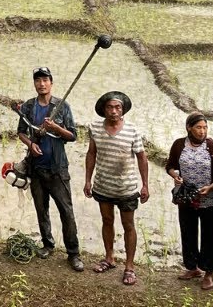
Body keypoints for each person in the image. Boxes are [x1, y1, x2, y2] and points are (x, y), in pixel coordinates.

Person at [16, 66, 83, 271]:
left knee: (66, 210)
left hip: (57, 168)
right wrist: (31, 144)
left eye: (45, 80)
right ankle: (47, 244)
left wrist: (56, 128)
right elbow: (20, 132)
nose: (41, 84)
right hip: (36, 168)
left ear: (51, 83)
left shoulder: (61, 106)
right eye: (38, 80)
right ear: (34, 84)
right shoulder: (28, 106)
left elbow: (73, 136)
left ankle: (73, 253)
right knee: (41, 208)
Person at [84, 91, 149, 287]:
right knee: (107, 220)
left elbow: (142, 157)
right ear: (104, 111)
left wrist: (145, 184)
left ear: (123, 111)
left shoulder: (132, 130)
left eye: (117, 107)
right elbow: (91, 154)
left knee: (128, 225)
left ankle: (129, 267)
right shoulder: (95, 128)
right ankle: (109, 258)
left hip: (127, 188)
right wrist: (88, 180)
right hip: (103, 185)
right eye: (110, 107)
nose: (114, 111)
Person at [167, 112, 213, 291]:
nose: (202, 131)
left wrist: (212, 186)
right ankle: (193, 268)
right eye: (199, 127)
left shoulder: (211, 147)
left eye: (205, 127)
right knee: (188, 232)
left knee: (210, 235)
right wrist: (174, 176)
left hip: (209, 199)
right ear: (189, 128)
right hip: (187, 198)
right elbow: (170, 165)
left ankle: (209, 272)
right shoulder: (179, 145)